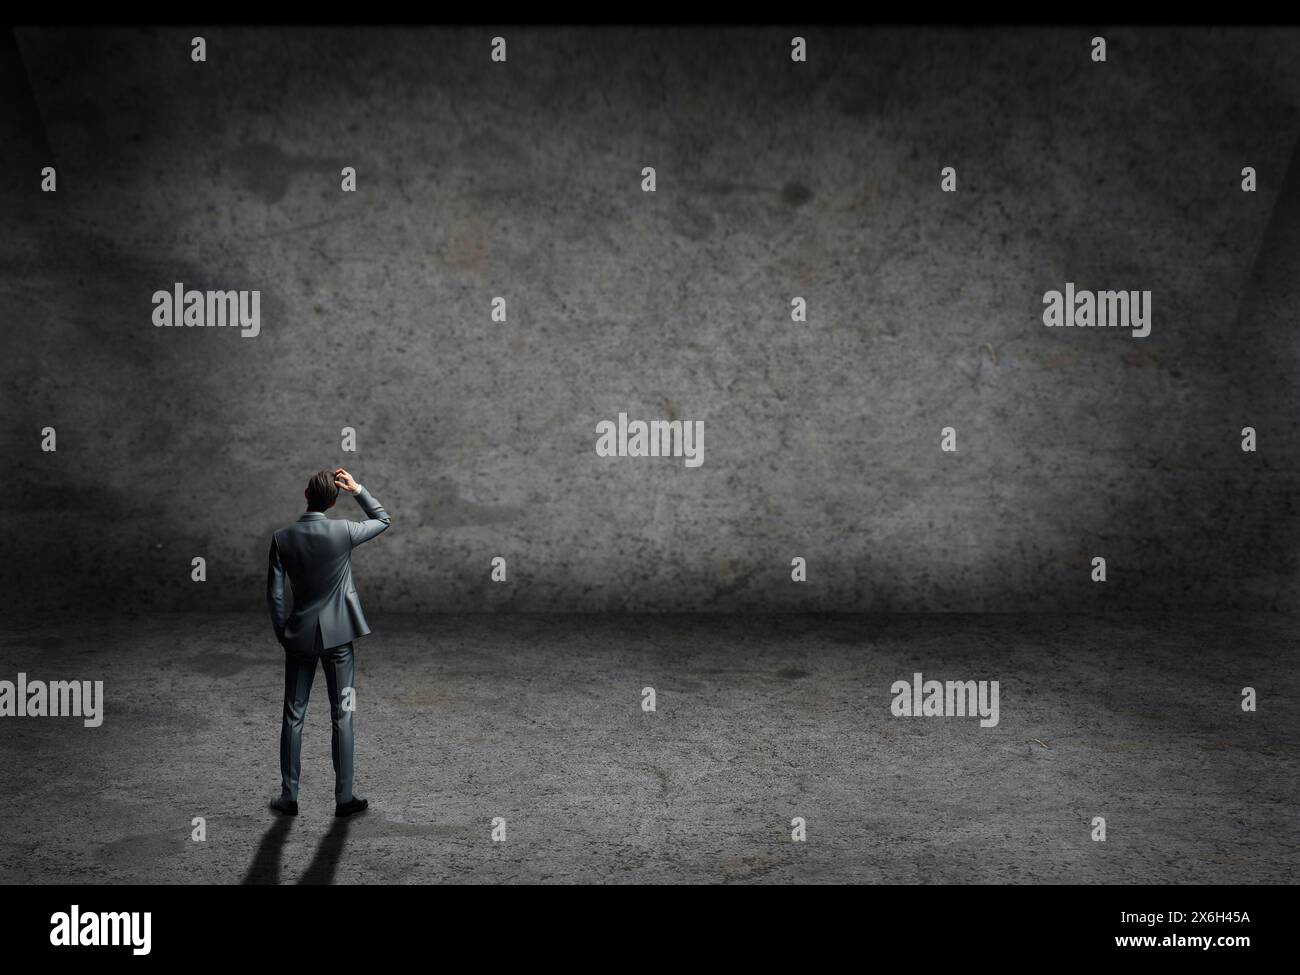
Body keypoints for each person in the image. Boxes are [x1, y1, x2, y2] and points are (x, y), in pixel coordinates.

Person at [266, 467, 391, 817]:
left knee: (293, 714)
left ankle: (289, 797)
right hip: (339, 638)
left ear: (306, 495)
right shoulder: (344, 530)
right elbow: (383, 519)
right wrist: (358, 489)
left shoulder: (282, 538)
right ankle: (344, 797)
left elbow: (275, 595)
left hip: (299, 636)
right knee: (343, 715)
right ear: (333, 501)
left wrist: (283, 632)